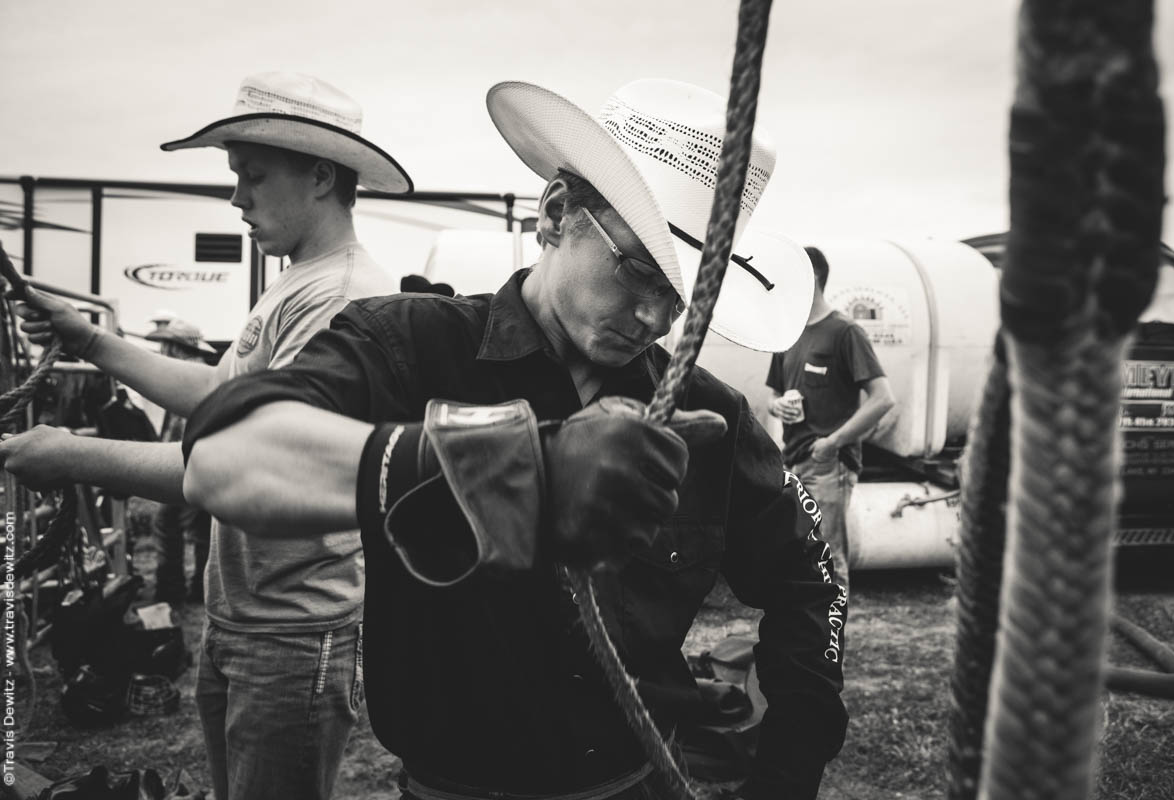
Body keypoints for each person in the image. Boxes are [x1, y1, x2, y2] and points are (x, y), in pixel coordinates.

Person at [181, 79, 847, 800]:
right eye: (639, 270)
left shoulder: (710, 419)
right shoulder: (409, 347)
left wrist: (792, 761)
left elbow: (811, 579)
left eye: (684, 295)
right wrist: (508, 467)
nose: (656, 314)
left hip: (632, 782)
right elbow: (225, 456)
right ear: (558, 214)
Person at [1, 71, 412, 800]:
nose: (236, 197)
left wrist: (73, 455)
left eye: (252, 176)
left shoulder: (340, 299)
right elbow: (219, 398)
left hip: (293, 628)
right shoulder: (299, 282)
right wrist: (92, 342)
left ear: (320, 176)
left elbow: (249, 465)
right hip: (253, 619)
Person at [766, 245, 896, 596]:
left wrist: (832, 443)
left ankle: (829, 648)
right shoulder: (788, 331)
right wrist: (779, 408)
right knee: (798, 558)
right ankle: (805, 645)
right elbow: (772, 396)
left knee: (828, 560)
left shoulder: (844, 332)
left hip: (828, 465)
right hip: (792, 461)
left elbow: (883, 399)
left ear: (814, 278)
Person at [144, 313, 217, 604]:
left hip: (186, 463)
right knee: (202, 529)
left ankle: (170, 588)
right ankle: (201, 588)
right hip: (207, 462)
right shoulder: (204, 373)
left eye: (165, 345)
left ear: (174, 348)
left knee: (167, 524)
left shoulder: (183, 376)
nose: (162, 350)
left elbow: (180, 428)